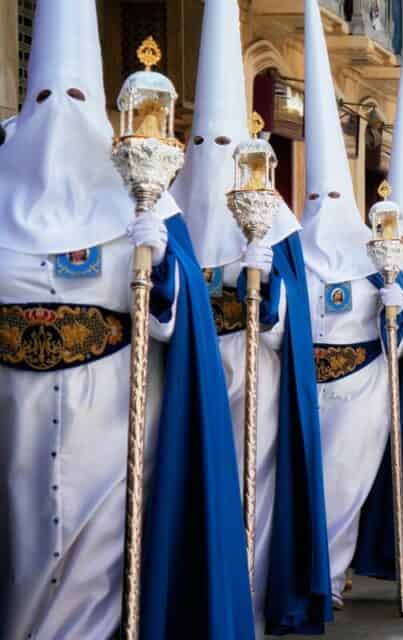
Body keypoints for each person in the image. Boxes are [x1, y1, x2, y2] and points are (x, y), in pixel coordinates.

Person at [0, 2, 254, 636]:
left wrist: (164, 264)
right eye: (47, 98)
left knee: (103, 553)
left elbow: (177, 322)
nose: (60, 115)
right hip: (13, 417)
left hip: (111, 411)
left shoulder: (147, 202)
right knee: (19, 548)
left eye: (76, 97)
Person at [170, 0, 331, 632]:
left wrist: (266, 293)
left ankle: (256, 606)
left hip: (254, 373)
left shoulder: (279, 225)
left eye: (224, 146)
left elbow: (294, 322)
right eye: (201, 143)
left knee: (254, 491)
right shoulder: (167, 212)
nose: (211, 157)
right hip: (184, 380)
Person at [299, 16, 403, 602]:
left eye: (332, 195)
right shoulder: (291, 252)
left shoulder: (374, 261)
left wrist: (400, 316)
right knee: (300, 486)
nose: (323, 205)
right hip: (301, 388)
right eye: (315, 196)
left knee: (344, 485)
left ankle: (331, 574)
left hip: (361, 389)